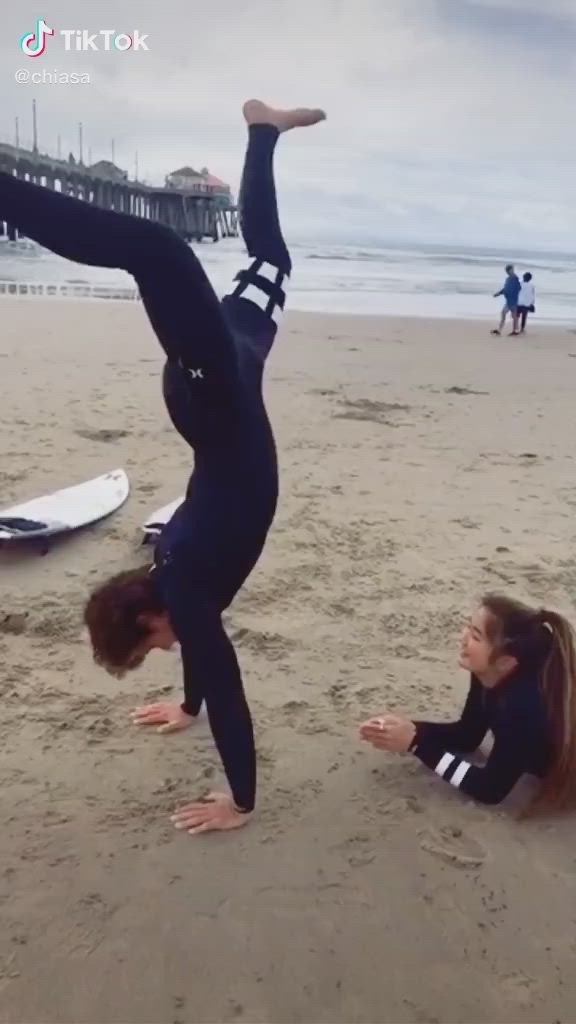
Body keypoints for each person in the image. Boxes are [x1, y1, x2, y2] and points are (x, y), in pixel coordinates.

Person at [0, 99, 326, 835]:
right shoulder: (175, 579)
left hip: (213, 395)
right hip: (231, 371)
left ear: (149, 615)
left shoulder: (186, 590)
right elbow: (207, 662)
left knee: (159, 252)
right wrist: (186, 707)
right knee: (272, 262)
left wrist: (239, 802)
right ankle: (262, 131)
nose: (168, 646)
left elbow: (225, 681)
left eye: (152, 644)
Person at [360, 593, 576, 813]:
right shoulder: (489, 672)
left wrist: (416, 744)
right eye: (468, 627)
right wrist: (406, 729)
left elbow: (490, 789)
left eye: (475, 636)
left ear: (505, 662)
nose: (462, 637)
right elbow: (467, 735)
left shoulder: (524, 707)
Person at [491, 264, 521, 336]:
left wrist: (501, 293)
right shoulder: (508, 279)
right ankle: (500, 330)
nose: (512, 271)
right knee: (504, 314)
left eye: (512, 270)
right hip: (509, 301)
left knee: (513, 316)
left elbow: (518, 288)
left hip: (513, 301)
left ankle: (514, 331)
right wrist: (498, 293)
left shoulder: (515, 278)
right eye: (511, 270)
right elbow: (506, 289)